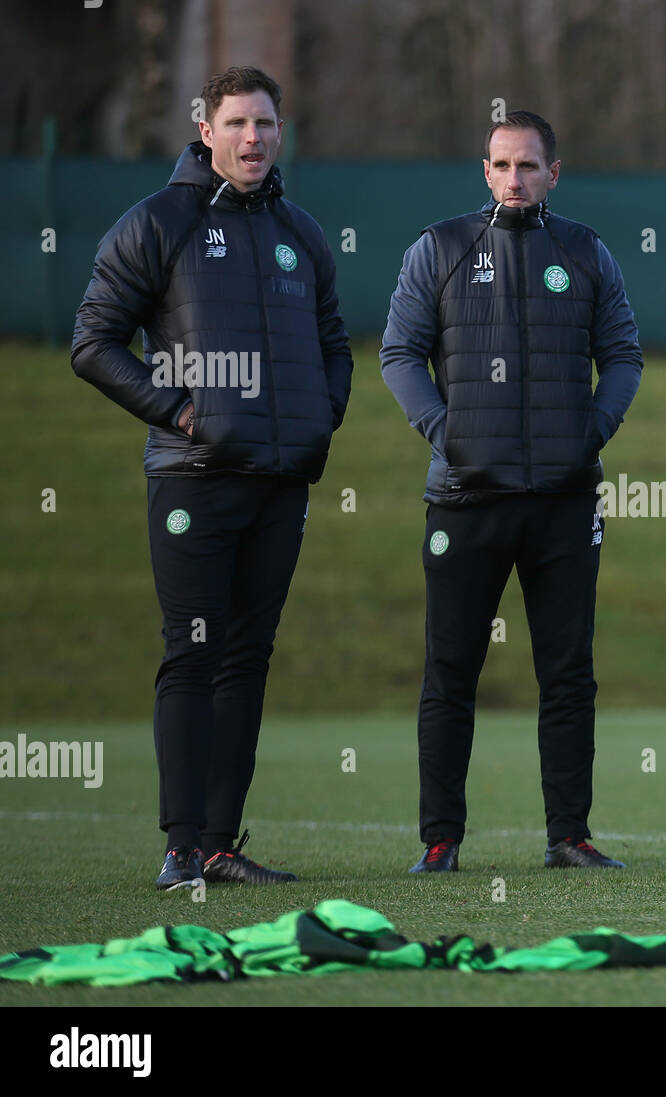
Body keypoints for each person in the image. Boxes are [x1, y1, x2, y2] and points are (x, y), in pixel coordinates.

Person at [71, 66, 354, 891]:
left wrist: (319, 415)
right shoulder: (160, 221)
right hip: (193, 480)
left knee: (247, 658)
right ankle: (181, 848)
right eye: (237, 123)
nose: (254, 138)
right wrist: (181, 412)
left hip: (280, 484)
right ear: (206, 131)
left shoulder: (301, 232)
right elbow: (94, 341)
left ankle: (223, 845)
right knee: (191, 656)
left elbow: (334, 342)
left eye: (265, 123)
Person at [380, 110, 642, 873]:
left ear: (553, 173)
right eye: (501, 165)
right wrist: (445, 431)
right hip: (464, 500)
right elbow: (400, 353)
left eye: (529, 166)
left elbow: (622, 354)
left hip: (564, 501)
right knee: (450, 671)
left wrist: (590, 431)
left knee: (567, 674)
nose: (515, 178)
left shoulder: (586, 250)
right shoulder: (442, 248)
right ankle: (441, 838)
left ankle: (570, 835)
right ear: (484, 170)